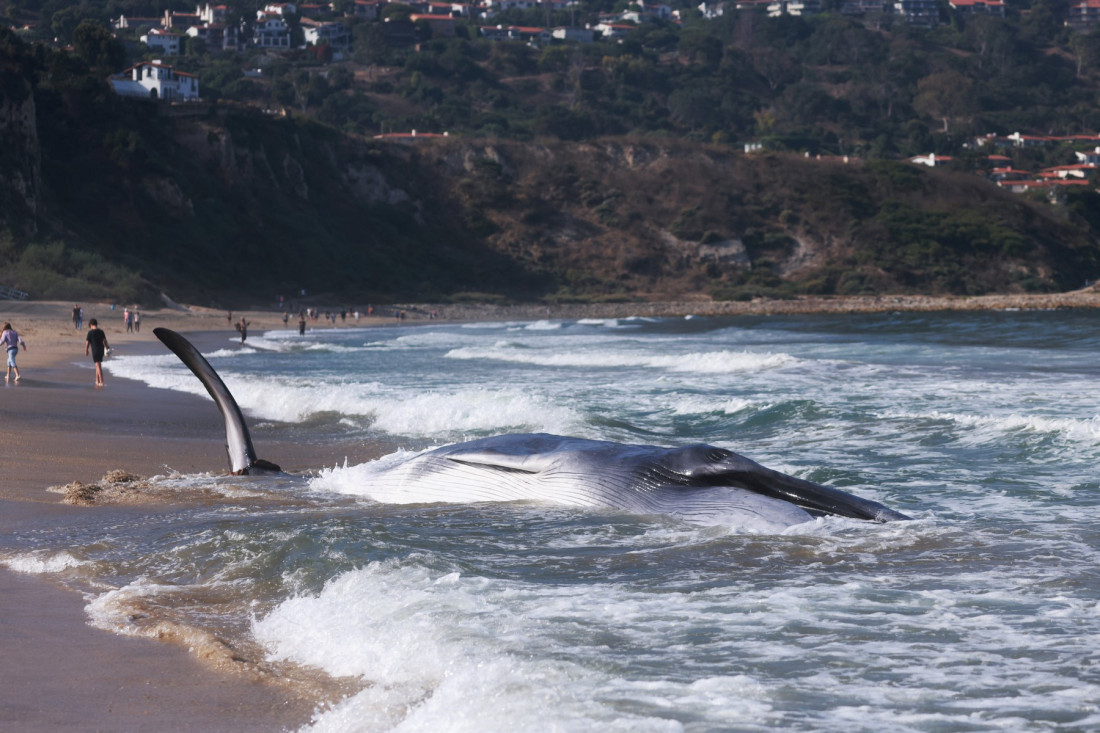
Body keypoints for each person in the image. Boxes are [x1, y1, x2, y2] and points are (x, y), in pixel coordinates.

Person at [85, 319, 109, 387]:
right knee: (97, 365)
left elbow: (87, 343)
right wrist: (107, 347)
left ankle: (101, 381)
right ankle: (97, 380)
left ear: (91, 325)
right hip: (101, 350)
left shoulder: (90, 332)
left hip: (95, 350)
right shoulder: (101, 331)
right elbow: (105, 341)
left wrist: (86, 350)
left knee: (98, 365)